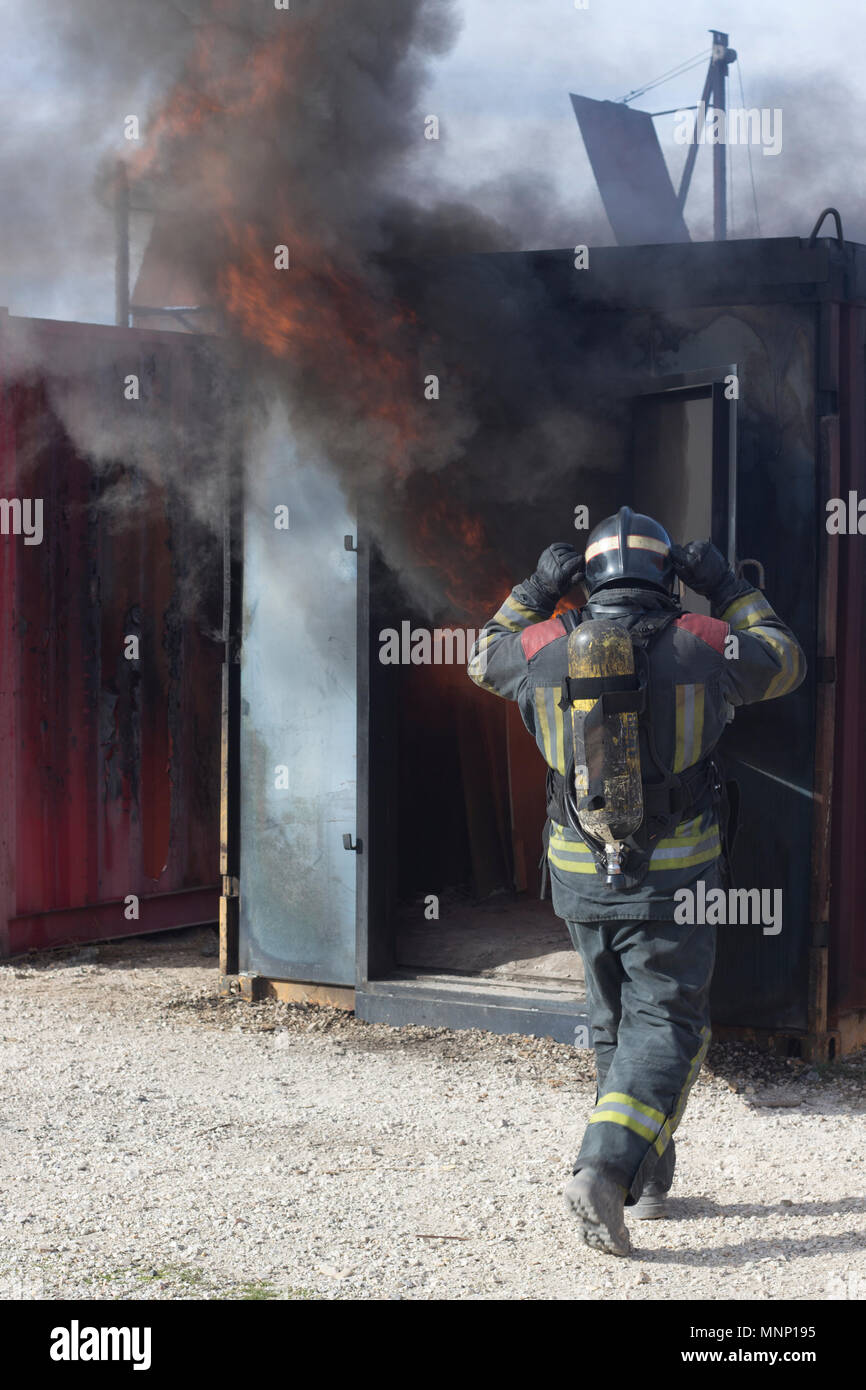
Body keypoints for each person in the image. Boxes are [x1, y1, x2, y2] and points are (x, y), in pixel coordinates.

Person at [467, 506, 806, 1256]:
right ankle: (605, 1169)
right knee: (669, 1025)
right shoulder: (705, 643)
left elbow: (480, 656)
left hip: (579, 877)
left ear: (588, 575)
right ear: (664, 573)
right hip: (674, 877)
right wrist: (723, 585)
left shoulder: (544, 645)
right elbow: (785, 658)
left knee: (615, 1026)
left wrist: (534, 588)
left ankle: (645, 1183)